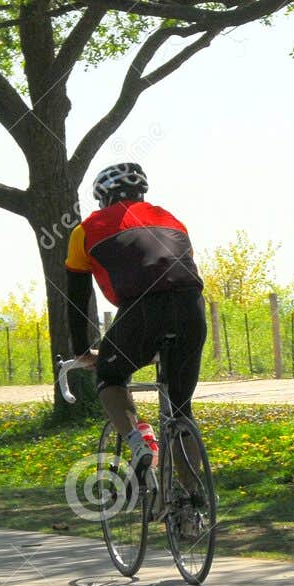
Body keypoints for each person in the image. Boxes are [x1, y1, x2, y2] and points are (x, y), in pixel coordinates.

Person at [64, 162, 206, 476]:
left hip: (142, 310)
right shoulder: (173, 220)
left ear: (102, 198)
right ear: (142, 193)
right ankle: (192, 504)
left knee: (110, 377)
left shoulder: (85, 230)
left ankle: (138, 439)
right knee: (181, 409)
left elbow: (76, 300)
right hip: (192, 307)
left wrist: (82, 351)